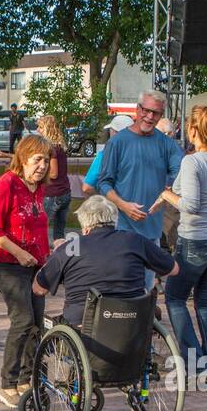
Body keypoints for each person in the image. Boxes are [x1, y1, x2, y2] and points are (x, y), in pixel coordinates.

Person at [151, 106, 207, 387]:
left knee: (175, 298)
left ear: (192, 131)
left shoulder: (192, 162)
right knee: (205, 301)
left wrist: (164, 192)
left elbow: (189, 205)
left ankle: (196, 363)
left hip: (196, 239)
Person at [0, 134, 51, 408]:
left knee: (36, 322)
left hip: (34, 265)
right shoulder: (6, 184)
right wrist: (20, 253)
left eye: (46, 160)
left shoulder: (38, 189)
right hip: (6, 263)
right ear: (23, 158)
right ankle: (7, 383)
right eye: (37, 159)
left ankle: (26, 379)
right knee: (22, 319)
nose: (42, 166)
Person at [33, 195, 176, 326]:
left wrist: (54, 256)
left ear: (85, 226)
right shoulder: (134, 240)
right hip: (132, 322)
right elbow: (174, 269)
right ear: (114, 220)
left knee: (49, 324)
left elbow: (38, 289)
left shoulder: (70, 247)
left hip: (84, 324)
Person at [95, 91, 183, 289]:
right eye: (147, 110)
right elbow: (104, 183)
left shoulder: (167, 144)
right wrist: (123, 205)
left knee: (146, 287)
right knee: (122, 285)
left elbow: (182, 175)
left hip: (152, 230)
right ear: (138, 109)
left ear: (161, 116)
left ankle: (145, 319)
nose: (150, 117)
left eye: (156, 113)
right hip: (121, 229)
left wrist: (165, 195)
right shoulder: (117, 143)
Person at [80, 115, 134, 196]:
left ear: (114, 132)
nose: (109, 132)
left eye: (110, 130)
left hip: (113, 205)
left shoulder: (104, 155)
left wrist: (105, 196)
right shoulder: (139, 154)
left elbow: (86, 187)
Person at [39, 114, 72, 245]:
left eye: (40, 127)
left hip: (52, 194)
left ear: (47, 129)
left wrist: (38, 174)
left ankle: (41, 258)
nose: (38, 130)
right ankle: (61, 260)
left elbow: (53, 173)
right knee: (59, 233)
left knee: (40, 228)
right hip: (65, 192)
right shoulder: (60, 147)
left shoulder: (50, 148)